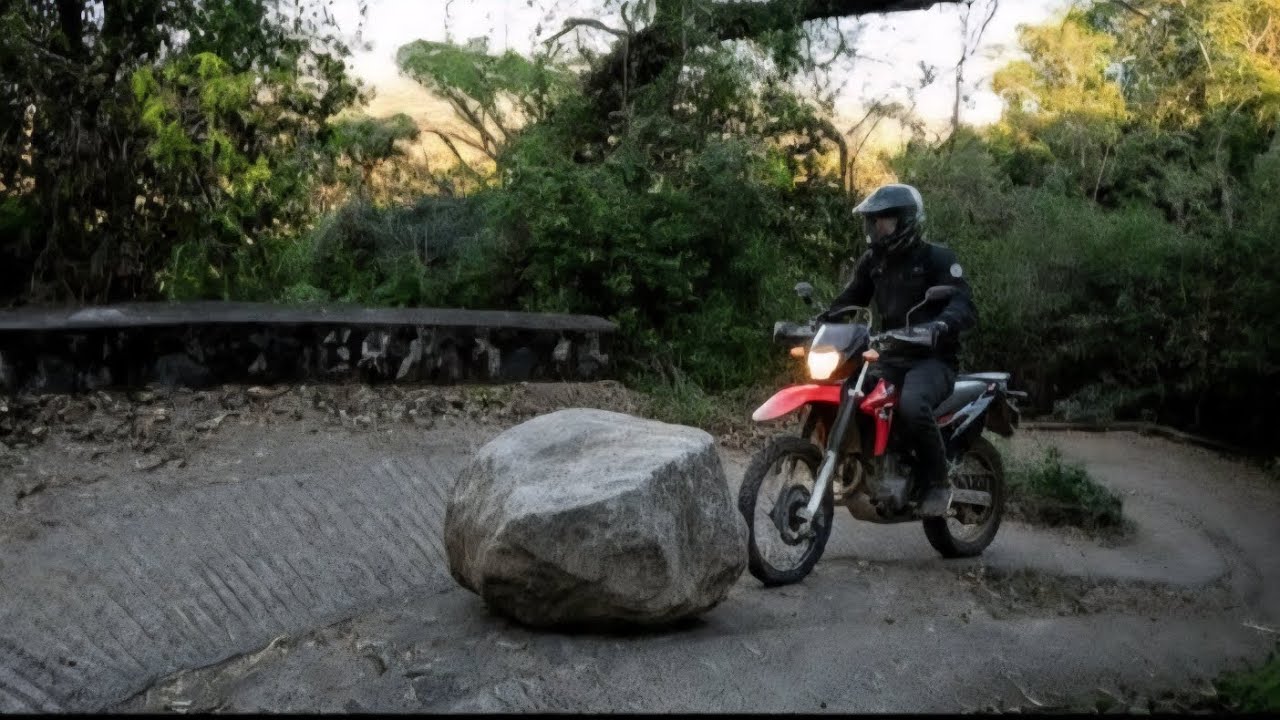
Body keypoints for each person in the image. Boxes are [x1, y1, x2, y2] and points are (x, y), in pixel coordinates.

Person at [821, 183, 977, 517]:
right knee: (849, 394)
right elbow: (849, 300)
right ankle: (865, 468)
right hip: (889, 356)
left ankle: (938, 482)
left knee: (912, 404)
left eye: (884, 221)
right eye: (873, 221)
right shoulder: (873, 262)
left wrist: (941, 325)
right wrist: (821, 320)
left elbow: (963, 303)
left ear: (905, 221)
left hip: (932, 361)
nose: (876, 228)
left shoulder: (937, 258)